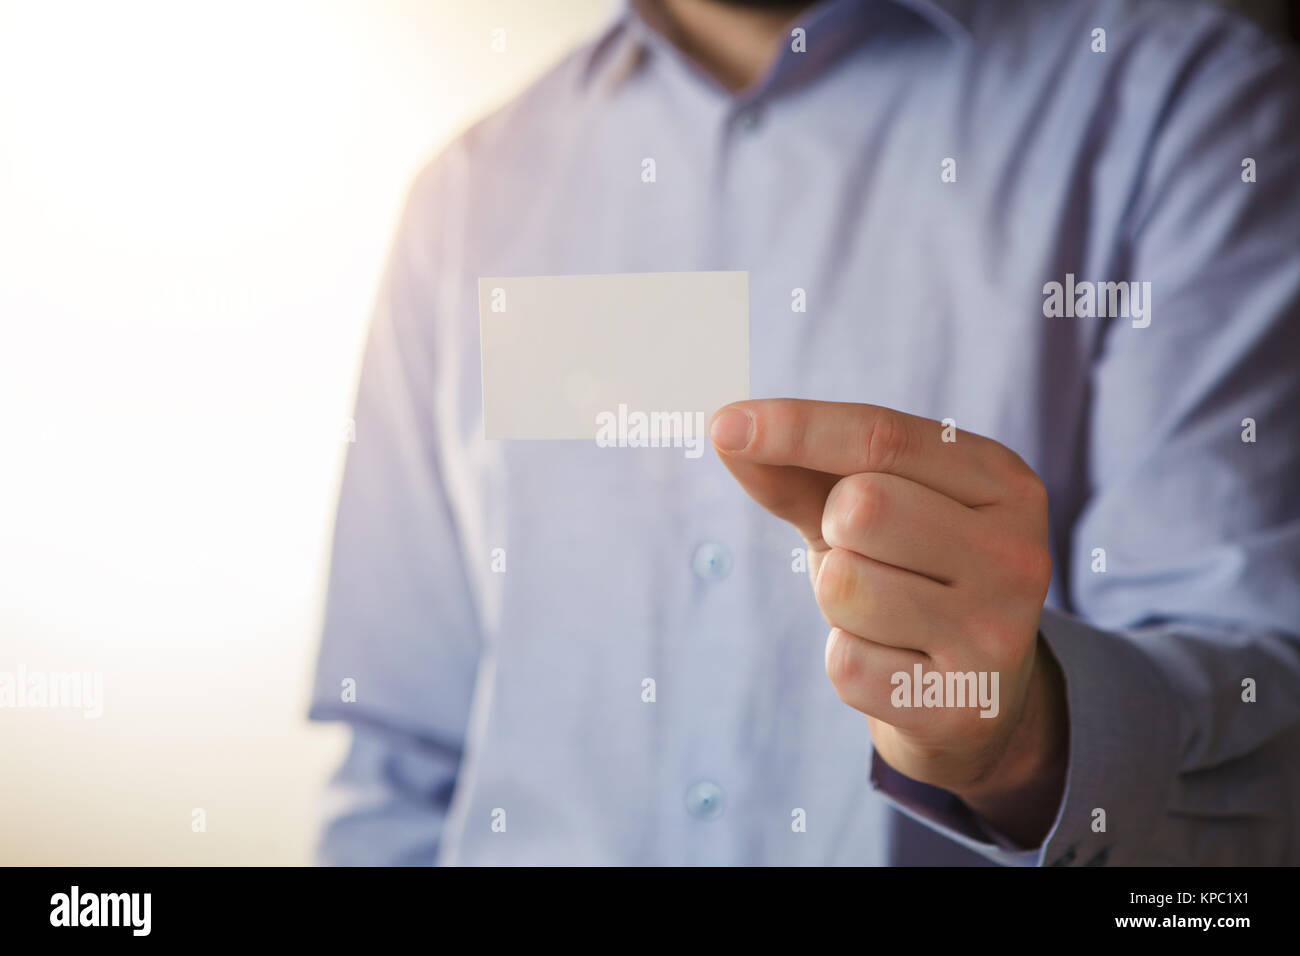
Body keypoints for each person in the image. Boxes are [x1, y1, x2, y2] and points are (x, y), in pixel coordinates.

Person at [308, 0, 1300, 865]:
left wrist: (1028, 738)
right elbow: (399, 758)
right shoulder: (471, 197)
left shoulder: (1187, 110)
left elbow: (1263, 726)